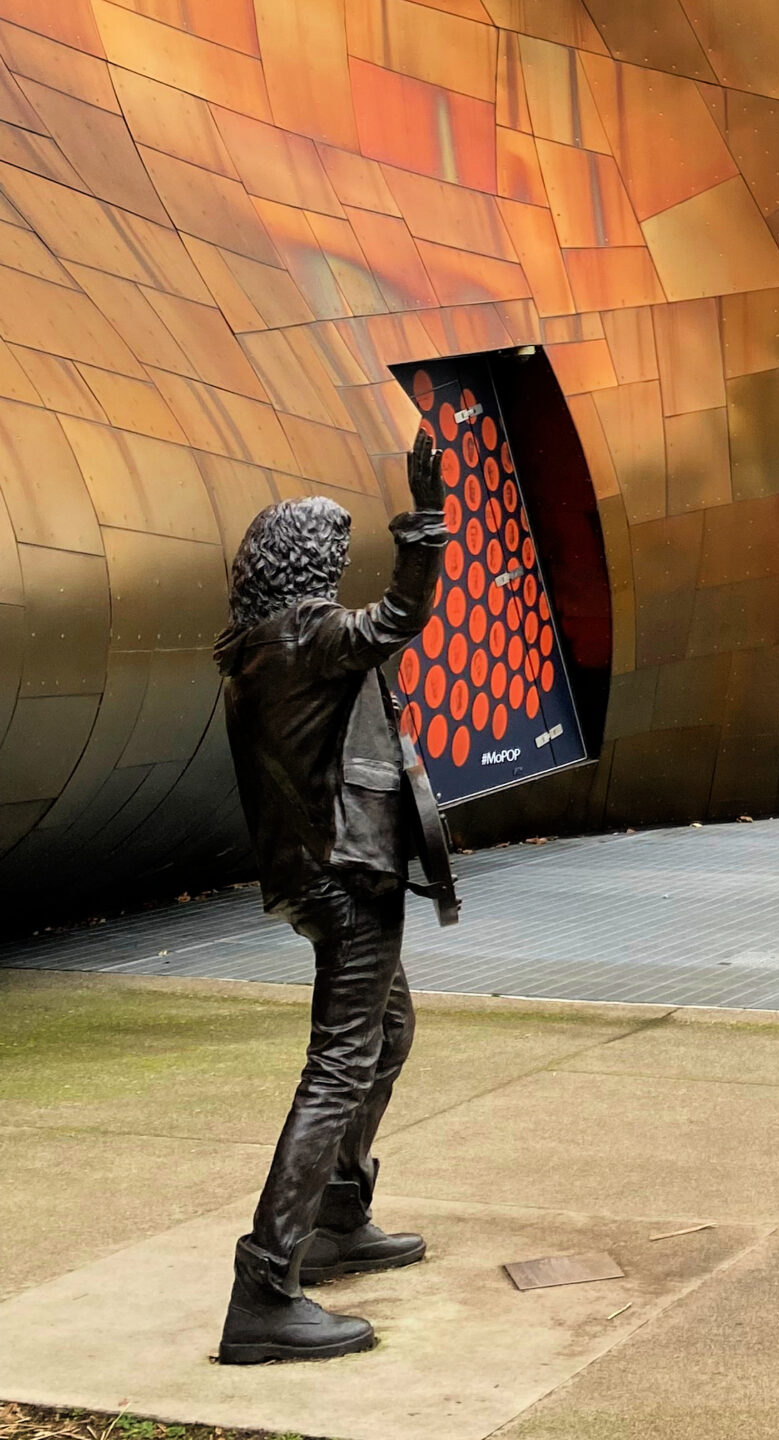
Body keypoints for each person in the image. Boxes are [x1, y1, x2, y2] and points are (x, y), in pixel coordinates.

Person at [213, 429, 452, 1364]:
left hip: (320, 873)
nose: (337, 572)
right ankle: (266, 1283)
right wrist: (425, 520)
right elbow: (397, 617)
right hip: (349, 878)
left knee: (385, 1032)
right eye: (332, 558)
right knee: (342, 1060)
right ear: (306, 566)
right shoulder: (305, 636)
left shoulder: (256, 648)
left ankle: (338, 1215)